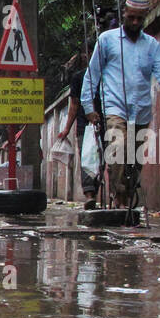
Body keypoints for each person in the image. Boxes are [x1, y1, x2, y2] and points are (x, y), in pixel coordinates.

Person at [82, 0, 160, 208]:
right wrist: (89, 106)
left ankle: (126, 194)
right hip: (115, 107)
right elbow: (92, 75)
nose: (135, 22)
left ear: (145, 17)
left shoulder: (152, 45)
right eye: (131, 17)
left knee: (134, 160)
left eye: (139, 18)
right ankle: (120, 197)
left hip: (141, 110)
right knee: (118, 148)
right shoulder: (107, 40)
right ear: (124, 13)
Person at [58, 47, 101, 208]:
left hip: (101, 122)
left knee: (90, 159)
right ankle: (91, 195)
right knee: (94, 159)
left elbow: (74, 105)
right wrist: (67, 128)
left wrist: (67, 129)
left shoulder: (105, 75)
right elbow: (74, 104)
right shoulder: (80, 78)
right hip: (88, 124)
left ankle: (92, 194)